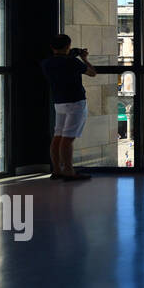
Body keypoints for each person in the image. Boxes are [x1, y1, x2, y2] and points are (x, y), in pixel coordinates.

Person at [41, 34, 96, 181]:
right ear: (68, 46)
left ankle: (57, 170)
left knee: (57, 137)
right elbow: (92, 73)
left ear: (52, 47)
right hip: (76, 102)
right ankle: (69, 171)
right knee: (68, 139)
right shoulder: (72, 62)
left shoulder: (46, 63)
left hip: (59, 102)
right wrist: (83, 58)